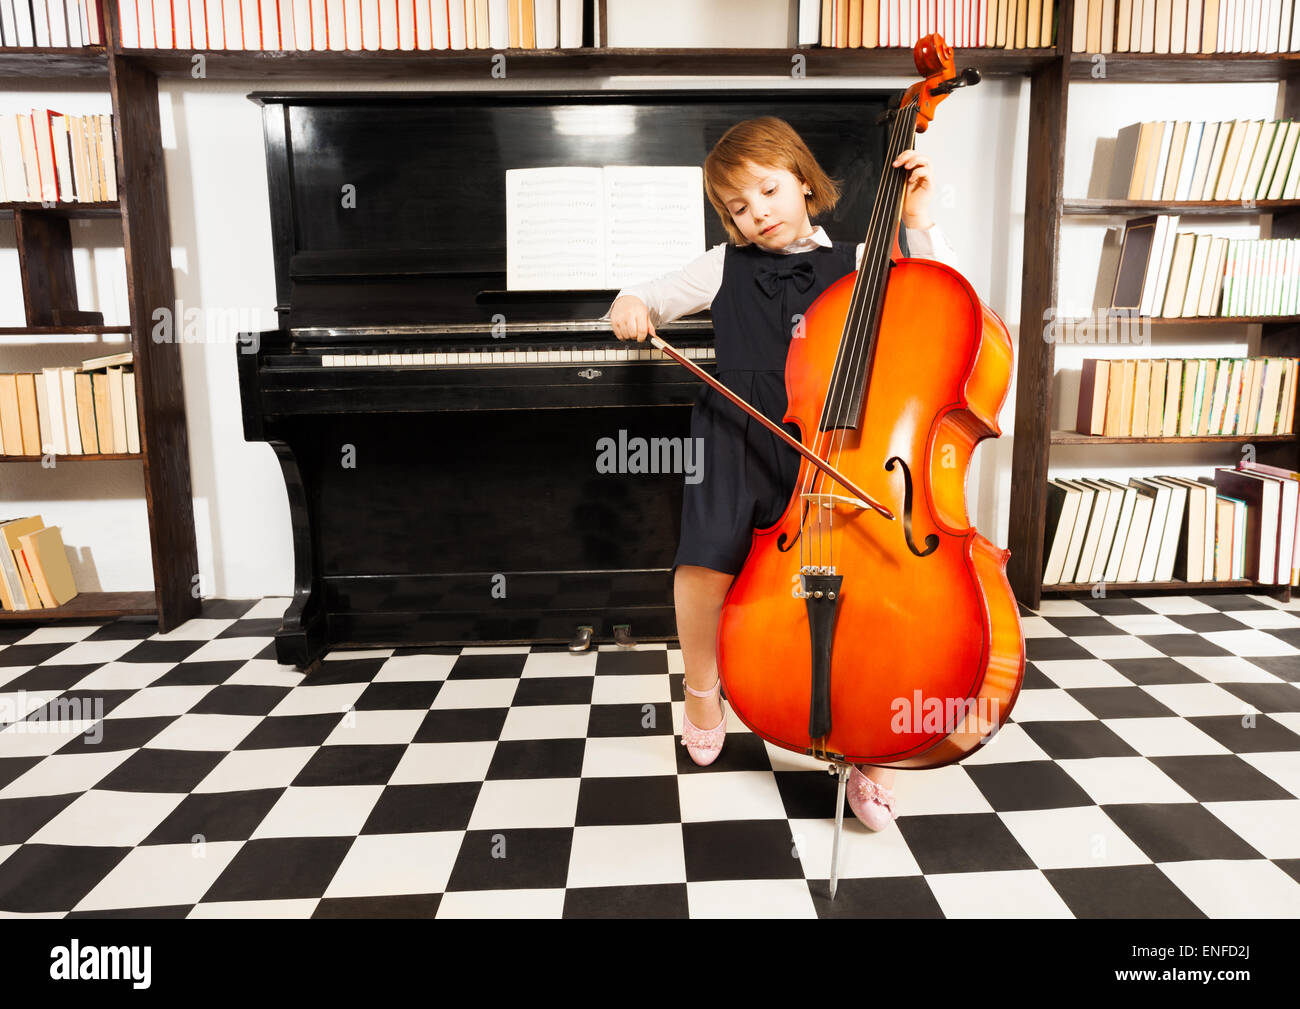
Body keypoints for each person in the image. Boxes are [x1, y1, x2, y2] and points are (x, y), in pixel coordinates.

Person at [603, 116, 960, 833]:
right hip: (738, 432)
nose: (756, 211)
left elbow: (938, 295)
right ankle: (703, 691)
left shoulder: (863, 257)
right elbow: (643, 297)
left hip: (837, 438)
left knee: (867, 584)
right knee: (703, 565)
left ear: (802, 179)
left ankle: (871, 746)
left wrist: (919, 221)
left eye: (767, 190)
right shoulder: (721, 265)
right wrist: (631, 305)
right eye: (738, 205)